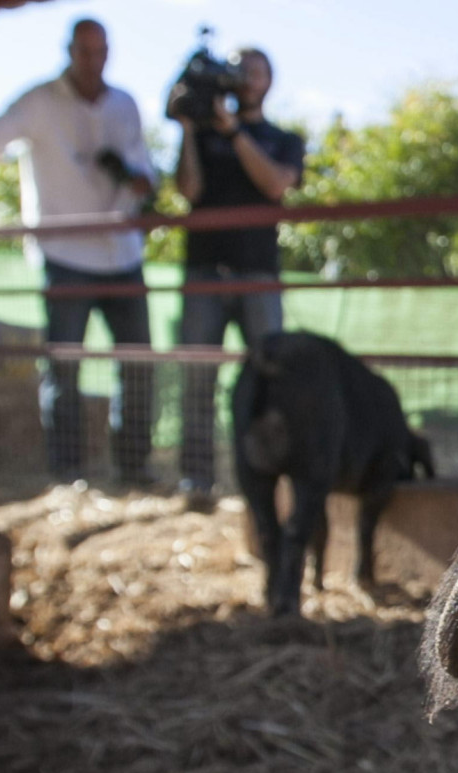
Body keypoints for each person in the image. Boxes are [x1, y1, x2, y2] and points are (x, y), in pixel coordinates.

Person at [0, 19, 158, 483]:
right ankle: (68, 472)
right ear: (69, 51)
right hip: (66, 257)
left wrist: (133, 177)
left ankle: (135, 470)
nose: (93, 61)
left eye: (101, 52)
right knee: (64, 366)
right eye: (85, 51)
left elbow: (146, 173)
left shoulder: (125, 105)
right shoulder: (40, 101)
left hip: (122, 253)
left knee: (138, 363)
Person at [168, 47, 305, 508]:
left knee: (271, 380)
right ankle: (197, 482)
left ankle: (266, 481)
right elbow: (188, 190)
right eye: (239, 69)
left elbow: (275, 184)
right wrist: (190, 128)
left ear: (270, 81)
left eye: (257, 70)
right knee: (197, 379)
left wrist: (235, 133)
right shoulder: (202, 135)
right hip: (203, 271)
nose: (247, 77)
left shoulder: (282, 138)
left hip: (258, 273)